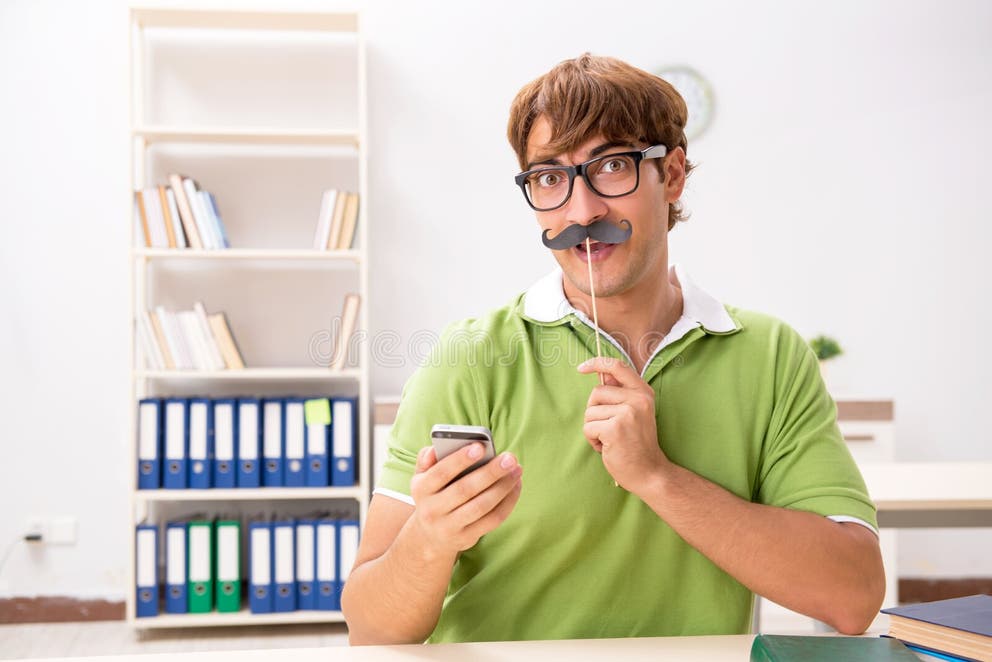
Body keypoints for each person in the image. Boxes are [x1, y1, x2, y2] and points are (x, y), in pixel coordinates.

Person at [341, 53, 885, 645]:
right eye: (549, 178)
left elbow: (853, 598)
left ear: (672, 175)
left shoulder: (771, 356)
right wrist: (433, 536)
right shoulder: (470, 355)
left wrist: (657, 477)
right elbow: (369, 629)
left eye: (611, 167)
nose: (582, 211)